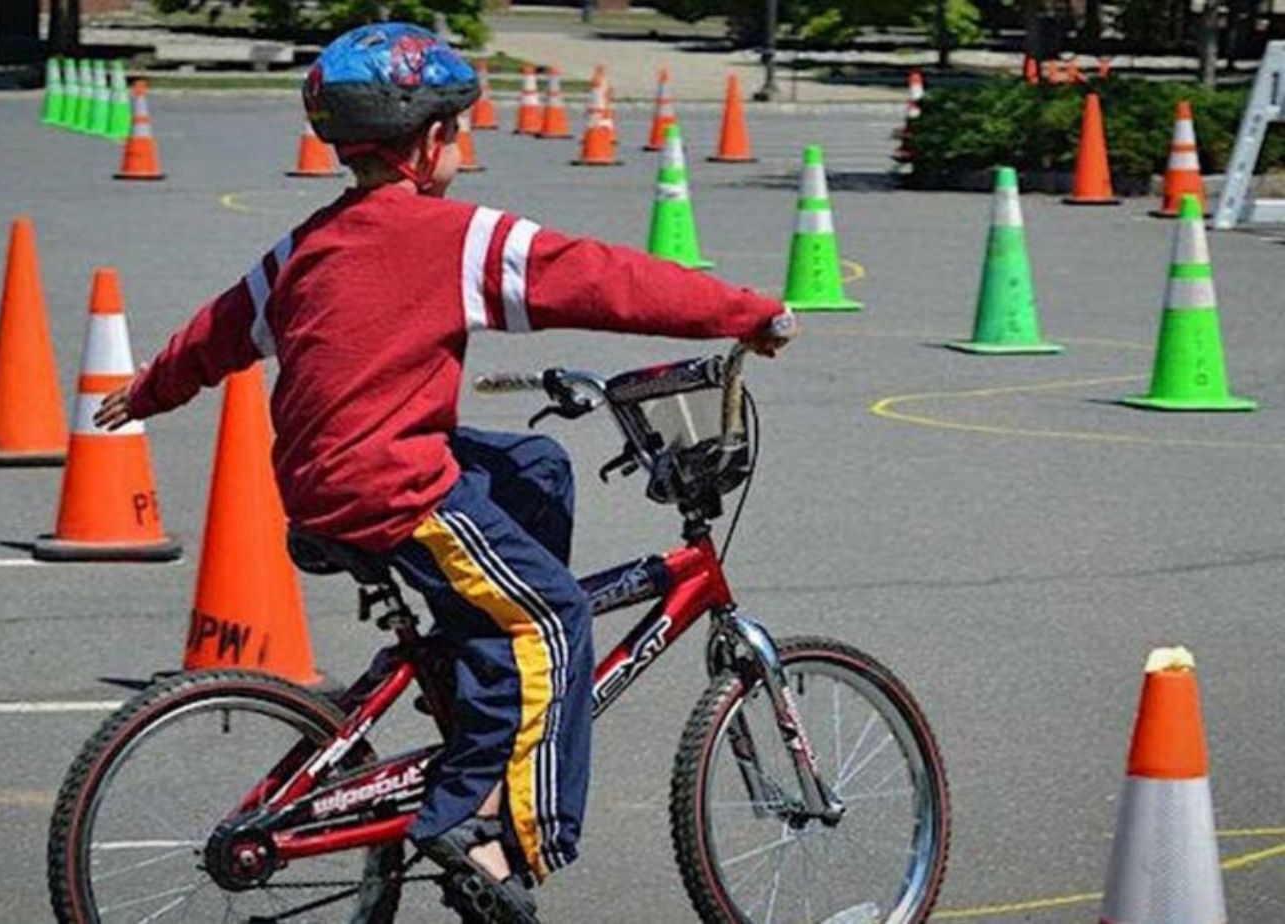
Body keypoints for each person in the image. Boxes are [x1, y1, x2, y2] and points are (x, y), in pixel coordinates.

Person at [94, 22, 793, 923]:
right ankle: (503, 837)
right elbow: (603, 278)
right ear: (425, 144)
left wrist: (147, 392)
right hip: (394, 487)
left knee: (534, 466)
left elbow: (219, 329)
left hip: (322, 479)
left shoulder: (306, 246)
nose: (465, 145)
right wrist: (746, 314)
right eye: (456, 129)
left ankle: (481, 680)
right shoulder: (453, 238)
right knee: (553, 615)